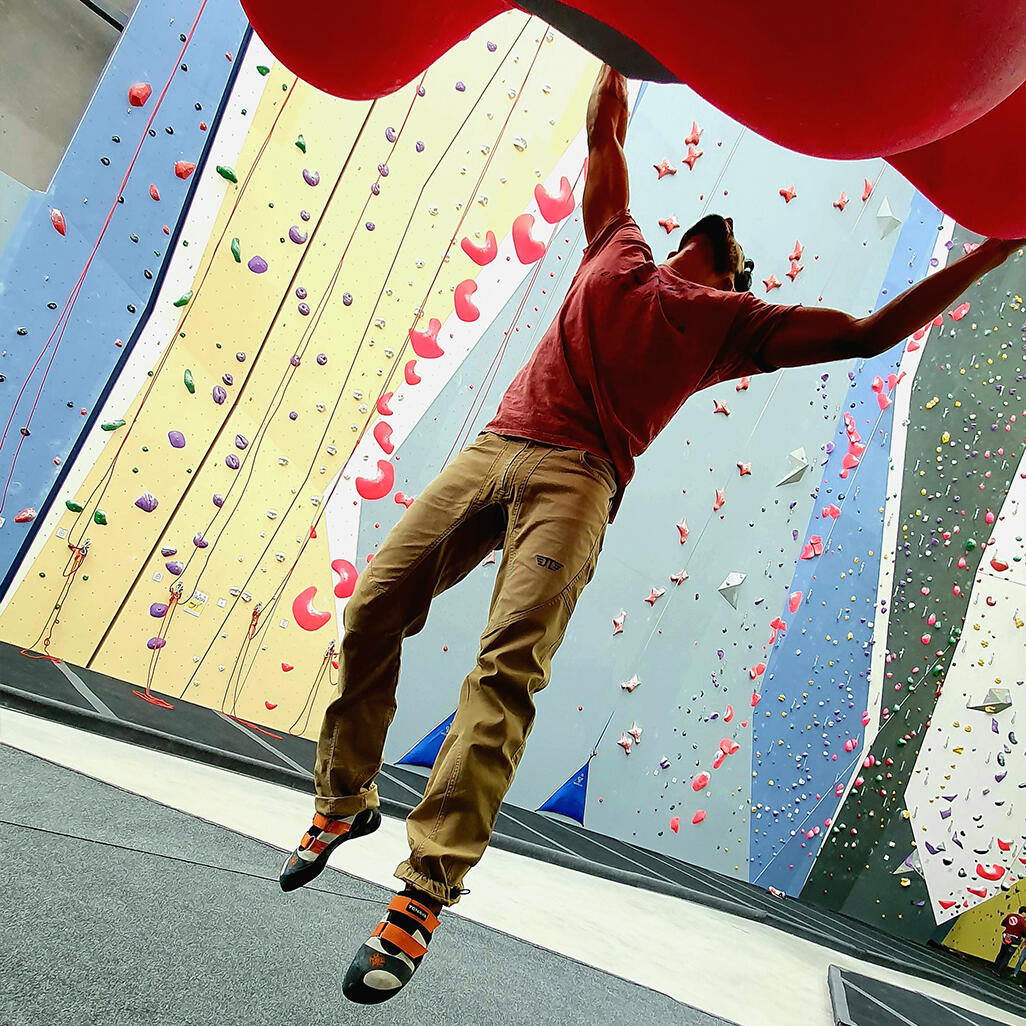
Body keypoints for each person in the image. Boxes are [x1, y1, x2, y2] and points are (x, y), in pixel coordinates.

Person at [277, 63, 1025, 1004]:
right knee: (378, 605)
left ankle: (422, 895)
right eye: (711, 229)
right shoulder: (616, 245)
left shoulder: (731, 325)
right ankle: (344, 801)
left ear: (736, 277)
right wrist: (612, 47)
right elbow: (606, 130)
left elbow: (870, 335)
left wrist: (984, 257)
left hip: (577, 480)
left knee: (507, 665)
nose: (718, 236)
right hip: (495, 446)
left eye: (734, 248)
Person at [993, 906, 1026, 978]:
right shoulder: (1023, 922)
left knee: (1001, 953)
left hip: (1006, 936)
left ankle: (994, 968)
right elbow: (1024, 933)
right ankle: (999, 972)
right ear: (1023, 913)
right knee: (1007, 956)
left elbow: (1003, 923)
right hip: (1015, 940)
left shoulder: (1010, 916)